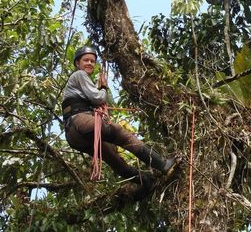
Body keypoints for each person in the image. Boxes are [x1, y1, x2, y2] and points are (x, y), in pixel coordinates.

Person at [62, 45, 176, 190]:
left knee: (114, 159)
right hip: (81, 122)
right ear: (78, 63)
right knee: (120, 134)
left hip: (74, 136)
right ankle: (162, 164)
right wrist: (103, 87)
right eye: (86, 60)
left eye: (92, 61)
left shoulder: (76, 84)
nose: (90, 63)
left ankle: (145, 181)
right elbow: (97, 98)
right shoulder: (79, 75)